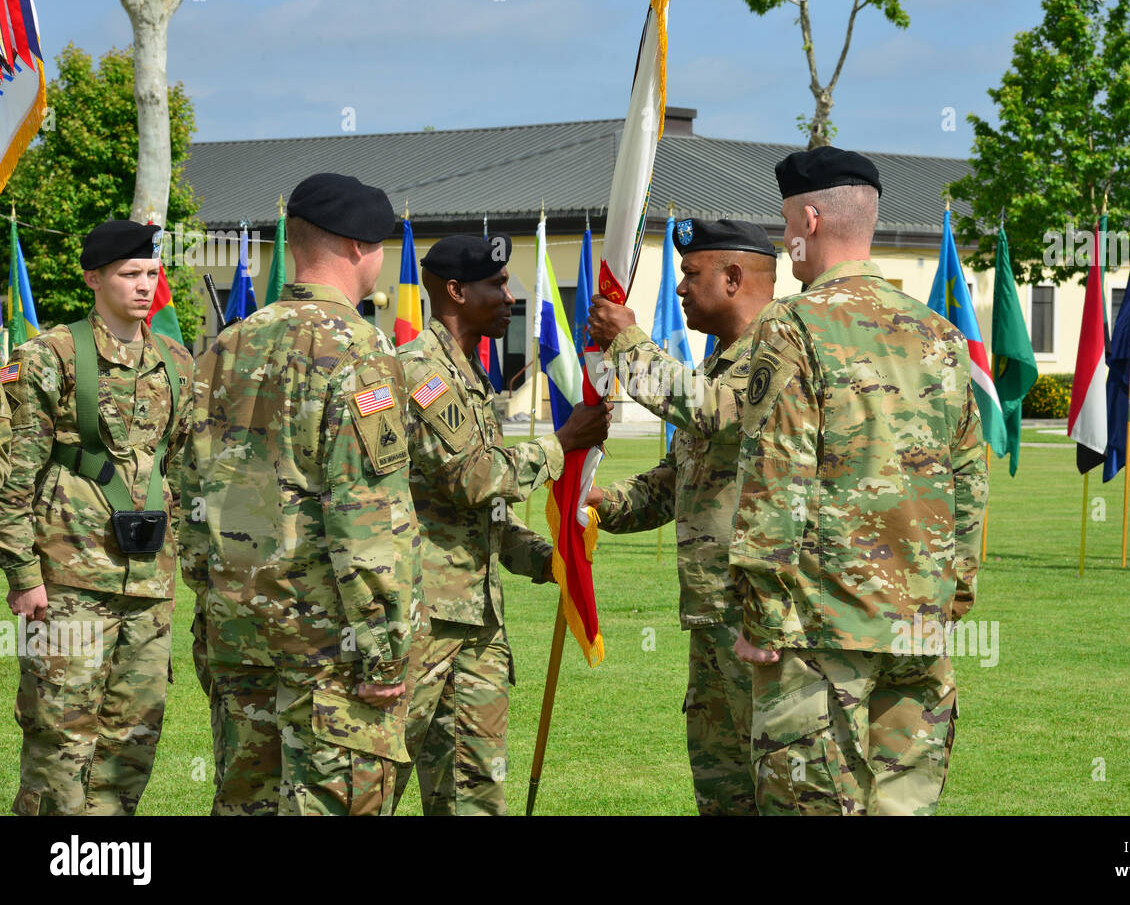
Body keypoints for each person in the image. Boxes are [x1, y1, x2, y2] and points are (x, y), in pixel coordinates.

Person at [729, 146, 987, 816]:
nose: (785, 235)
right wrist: (951, 596)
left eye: (786, 219)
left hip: (819, 631)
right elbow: (968, 479)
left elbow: (774, 478)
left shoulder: (792, 326)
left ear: (810, 219)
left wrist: (763, 616)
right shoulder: (940, 335)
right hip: (918, 631)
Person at [180, 173, 416, 816]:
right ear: (357, 248)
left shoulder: (228, 344)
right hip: (329, 653)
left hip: (239, 637)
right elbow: (368, 522)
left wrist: (214, 607)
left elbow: (189, 497)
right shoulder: (357, 350)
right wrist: (387, 652)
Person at [394, 233, 610, 816]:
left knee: (474, 793)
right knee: (374, 785)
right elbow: (474, 478)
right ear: (457, 292)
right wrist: (564, 444)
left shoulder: (469, 376)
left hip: (476, 622)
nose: (511, 297)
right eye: (498, 284)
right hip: (419, 622)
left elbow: (482, 511)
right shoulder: (421, 373)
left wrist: (546, 558)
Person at [584, 218, 776, 815]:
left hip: (761, 615)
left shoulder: (778, 349)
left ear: (734, 278)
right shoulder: (720, 358)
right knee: (723, 788)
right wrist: (600, 504)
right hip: (713, 609)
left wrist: (627, 342)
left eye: (691, 275)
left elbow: (712, 412)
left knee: (779, 781)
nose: (680, 288)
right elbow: (679, 478)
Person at [2, 220, 193, 816]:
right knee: (61, 741)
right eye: (130, 274)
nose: (144, 286)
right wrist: (22, 575)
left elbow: (184, 468)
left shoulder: (175, 360)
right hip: (67, 582)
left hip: (149, 584)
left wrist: (186, 558)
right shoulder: (47, 356)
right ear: (94, 278)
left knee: (131, 742)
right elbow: (14, 476)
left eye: (151, 274)